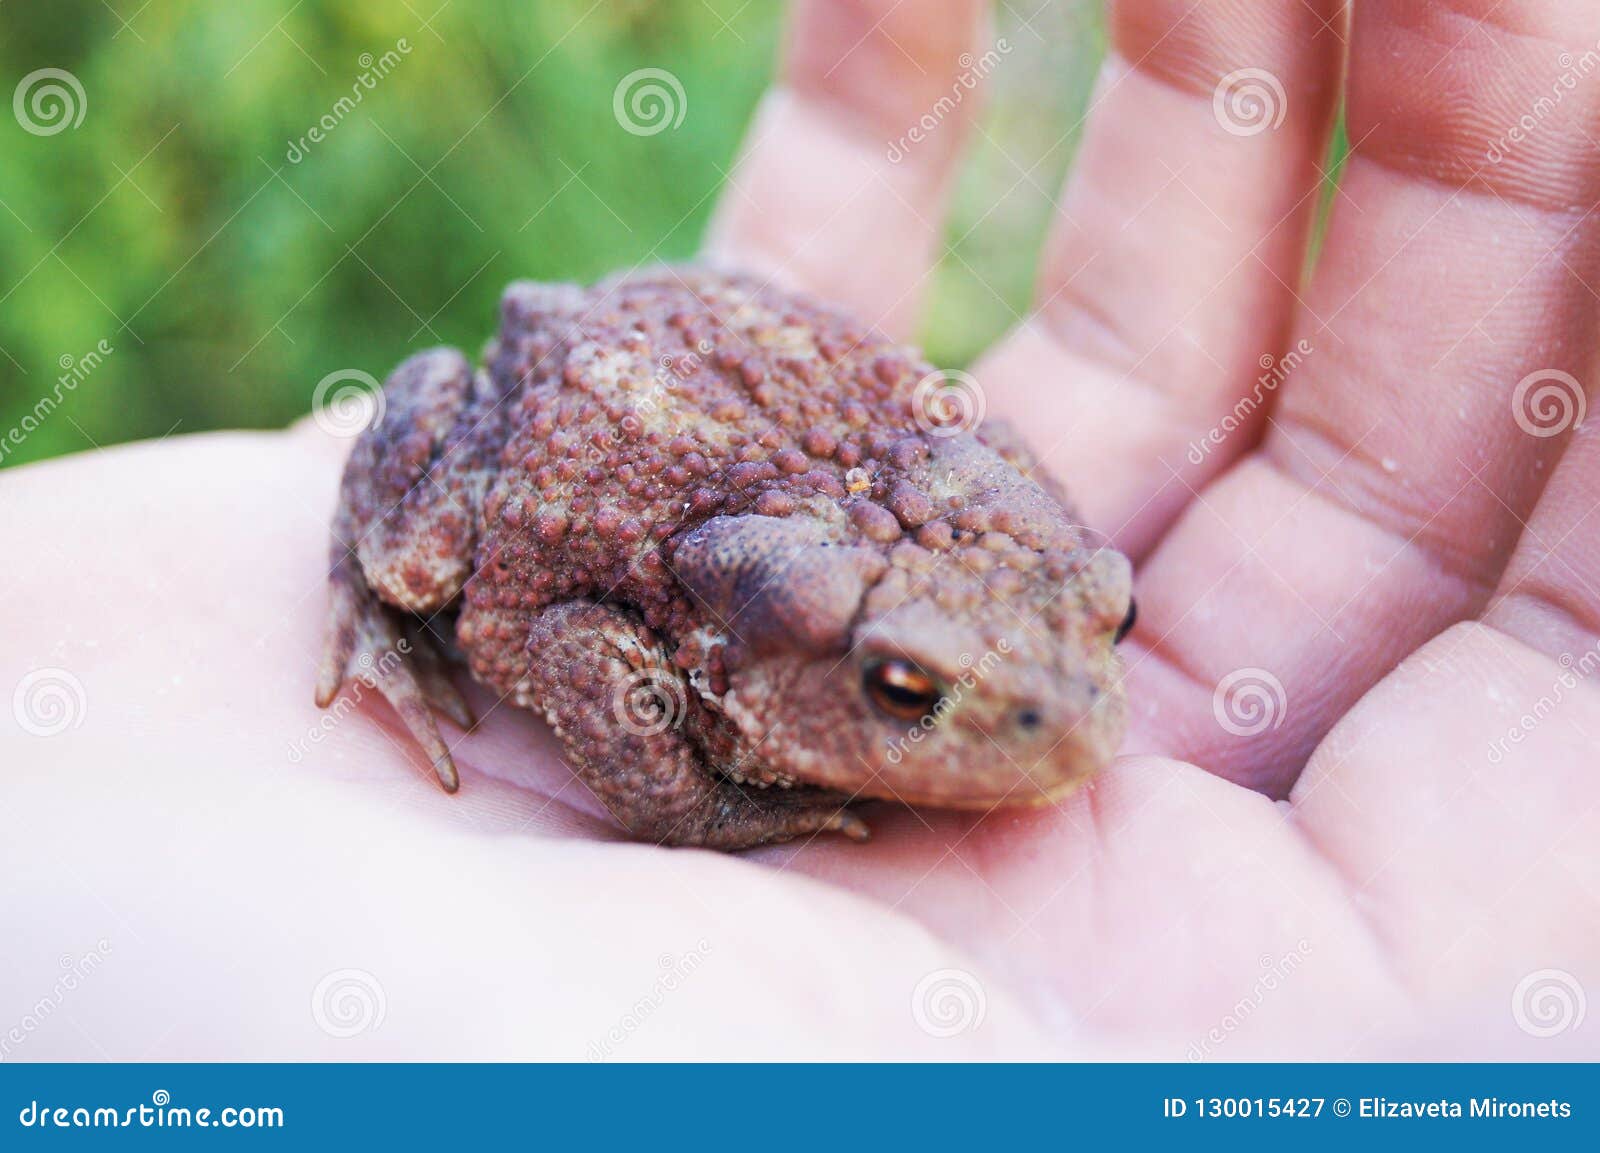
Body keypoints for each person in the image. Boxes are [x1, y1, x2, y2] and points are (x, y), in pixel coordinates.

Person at [3, 0, 1596, 1059]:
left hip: (750, 382)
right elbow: (558, 631)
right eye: (911, 690)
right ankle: (362, 595)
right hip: (579, 411)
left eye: (1099, 622)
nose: (1067, 710)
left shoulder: (971, 511)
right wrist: (700, 806)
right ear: (793, 665)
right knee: (421, 557)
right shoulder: (717, 640)